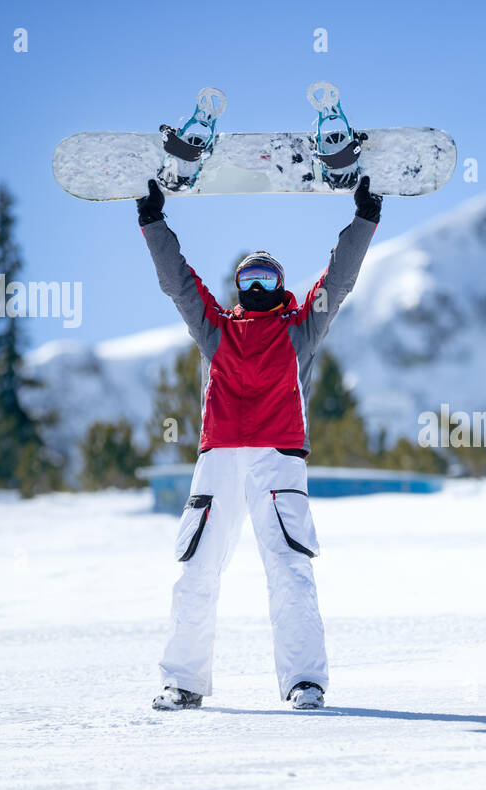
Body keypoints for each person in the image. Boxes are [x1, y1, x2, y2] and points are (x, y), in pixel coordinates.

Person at [136, 175, 382, 711]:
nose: (257, 283)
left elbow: (336, 283)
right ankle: (183, 680)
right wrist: (153, 220)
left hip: (277, 460)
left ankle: (304, 682)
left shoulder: (300, 330)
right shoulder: (215, 328)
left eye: (267, 275)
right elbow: (179, 282)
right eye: (249, 276)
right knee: (197, 566)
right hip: (218, 457)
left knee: (289, 568)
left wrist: (365, 217)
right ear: (237, 286)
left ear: (281, 284)